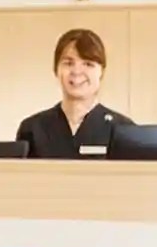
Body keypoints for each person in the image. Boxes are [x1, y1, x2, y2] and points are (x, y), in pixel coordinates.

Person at [15, 28, 134, 159]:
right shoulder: (32, 128)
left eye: (88, 64)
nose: (77, 71)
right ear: (56, 69)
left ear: (102, 72)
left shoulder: (124, 130)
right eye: (68, 63)